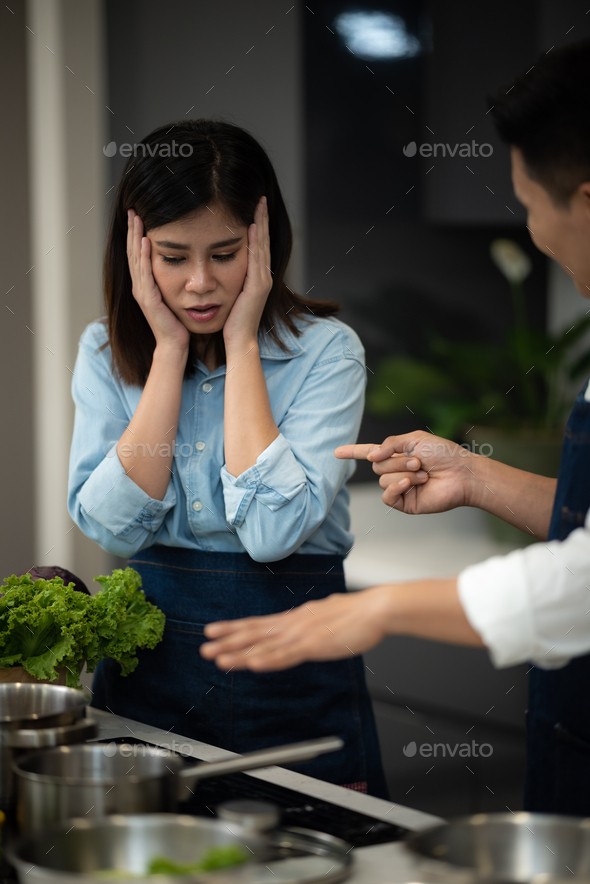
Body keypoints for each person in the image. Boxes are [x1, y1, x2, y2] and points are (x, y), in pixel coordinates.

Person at [200, 39, 590, 816]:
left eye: (531, 203)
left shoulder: (327, 349)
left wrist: (377, 608)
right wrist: (477, 475)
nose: (533, 232)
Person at [68, 119, 388, 797]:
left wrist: (243, 344)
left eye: (225, 253)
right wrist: (169, 355)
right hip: (149, 681)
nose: (199, 285)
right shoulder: (104, 353)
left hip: (296, 680)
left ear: (264, 243)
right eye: (173, 256)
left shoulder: (327, 352)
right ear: (136, 251)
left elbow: (273, 535)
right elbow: (109, 530)